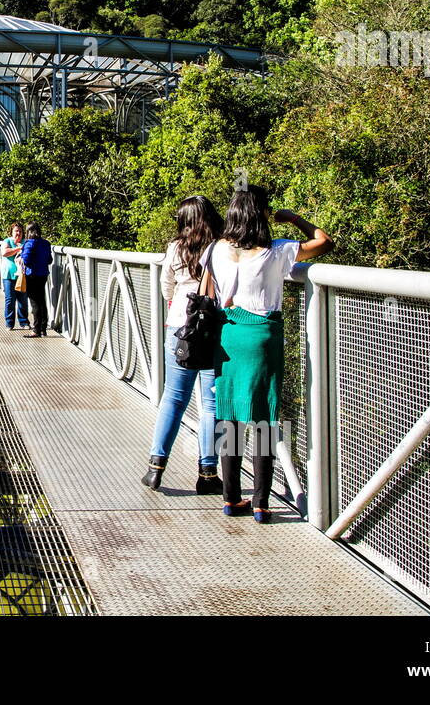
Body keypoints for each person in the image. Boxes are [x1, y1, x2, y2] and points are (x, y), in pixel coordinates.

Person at [204, 185, 332, 523]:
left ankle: (232, 499)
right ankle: (261, 503)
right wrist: (294, 218)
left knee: (229, 416)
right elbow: (324, 242)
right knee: (264, 418)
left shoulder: (216, 249)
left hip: (228, 335)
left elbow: (210, 287)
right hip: (263, 335)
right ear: (261, 215)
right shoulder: (276, 251)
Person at [142, 196, 225, 495]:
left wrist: (177, 310)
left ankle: (156, 467)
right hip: (214, 329)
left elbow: (167, 288)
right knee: (212, 401)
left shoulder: (175, 248)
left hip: (179, 327)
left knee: (174, 398)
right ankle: (207, 473)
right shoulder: (222, 247)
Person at [20, 222, 53, 338]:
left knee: (35, 303)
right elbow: (50, 260)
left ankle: (36, 330)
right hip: (43, 274)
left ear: (29, 231)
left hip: (32, 275)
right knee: (42, 301)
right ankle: (43, 329)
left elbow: (27, 260)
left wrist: (22, 256)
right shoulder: (46, 243)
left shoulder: (29, 243)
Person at [0, 222, 30, 330]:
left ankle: (24, 322)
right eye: (16, 231)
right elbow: (5, 252)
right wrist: (18, 249)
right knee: (10, 300)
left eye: (20, 231)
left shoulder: (26, 242)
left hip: (22, 275)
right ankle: (9, 323)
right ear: (11, 232)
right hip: (8, 275)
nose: (18, 233)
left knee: (23, 300)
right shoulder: (7, 241)